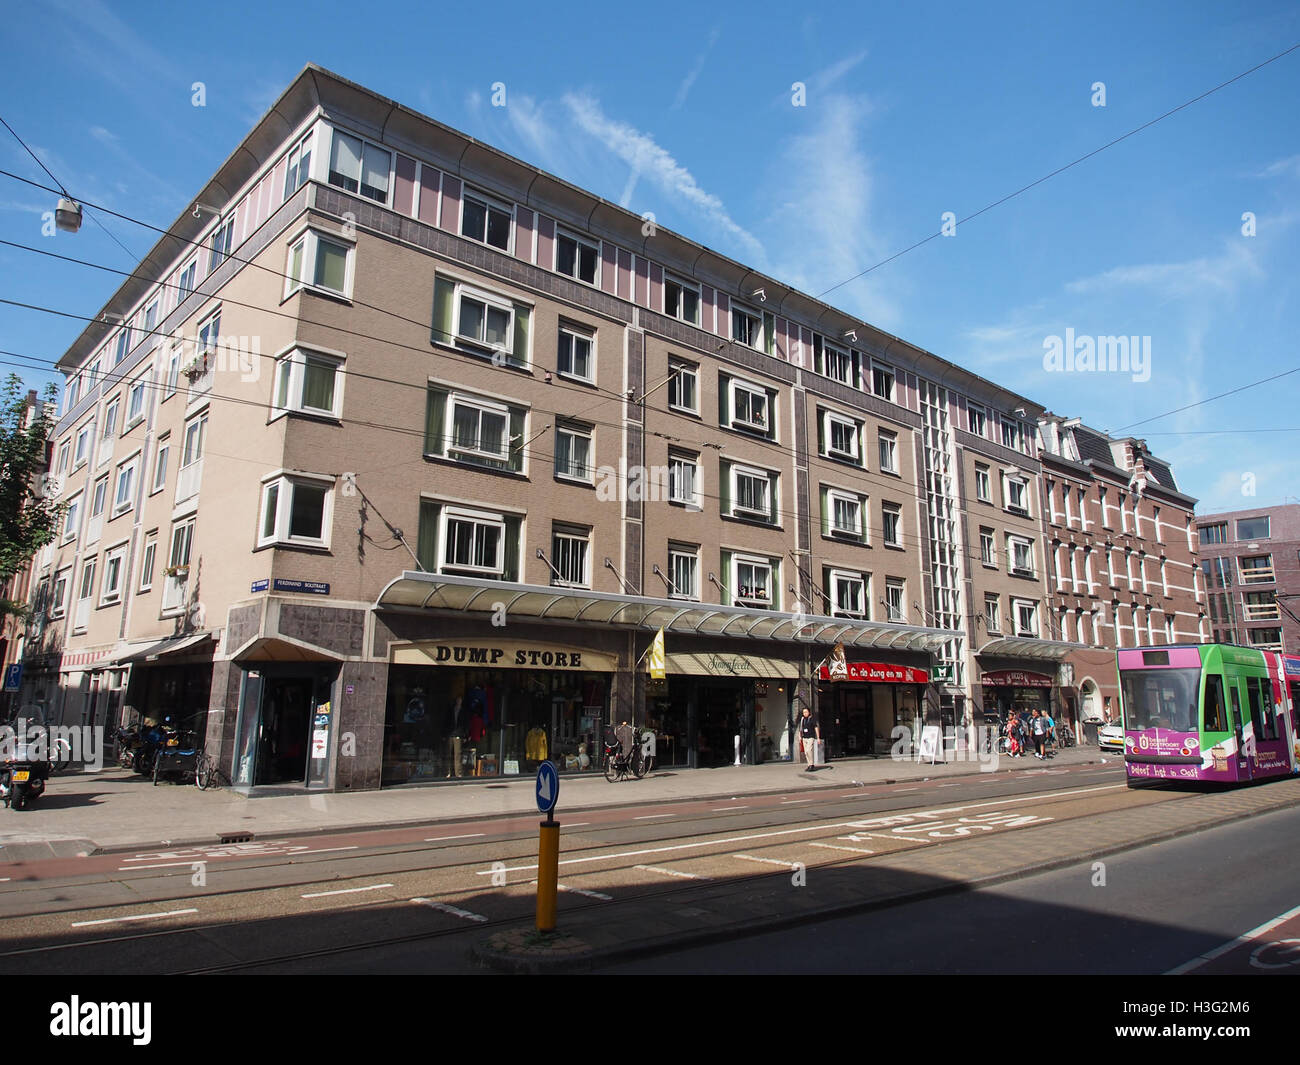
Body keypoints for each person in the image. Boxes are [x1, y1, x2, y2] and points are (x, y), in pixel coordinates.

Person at [798, 707, 820, 772]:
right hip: (804, 737)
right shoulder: (802, 719)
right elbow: (800, 729)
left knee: (808, 750)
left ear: (809, 712)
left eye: (806, 712)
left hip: (811, 737)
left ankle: (812, 764)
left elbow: (816, 728)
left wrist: (818, 737)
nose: (805, 713)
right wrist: (799, 736)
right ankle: (809, 765)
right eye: (804, 712)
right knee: (806, 752)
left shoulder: (812, 719)